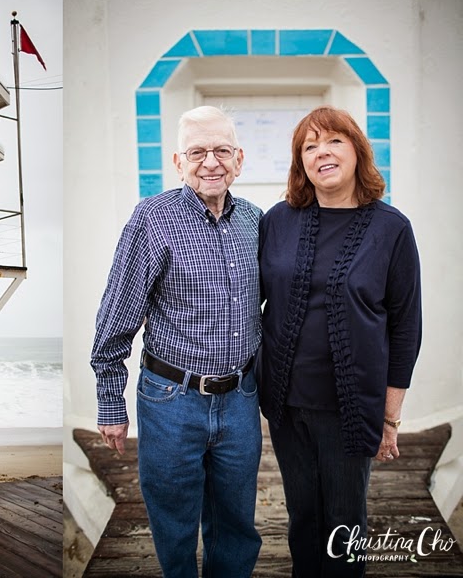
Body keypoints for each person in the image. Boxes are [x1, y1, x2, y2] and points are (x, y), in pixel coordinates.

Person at [92, 106, 263, 577]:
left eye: (222, 151)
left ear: (240, 158)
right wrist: (111, 404)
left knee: (235, 524)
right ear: (178, 161)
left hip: (241, 398)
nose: (211, 162)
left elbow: (267, 310)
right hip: (170, 400)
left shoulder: (255, 220)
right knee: (174, 523)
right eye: (197, 152)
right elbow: (117, 314)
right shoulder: (153, 218)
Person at [257, 105, 422, 577]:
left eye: (333, 141)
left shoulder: (392, 229)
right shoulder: (278, 221)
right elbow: (251, 304)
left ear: (356, 151)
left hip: (351, 407)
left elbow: (406, 326)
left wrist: (390, 416)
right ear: (300, 163)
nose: (321, 153)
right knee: (303, 520)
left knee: (345, 525)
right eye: (309, 146)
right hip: (286, 405)